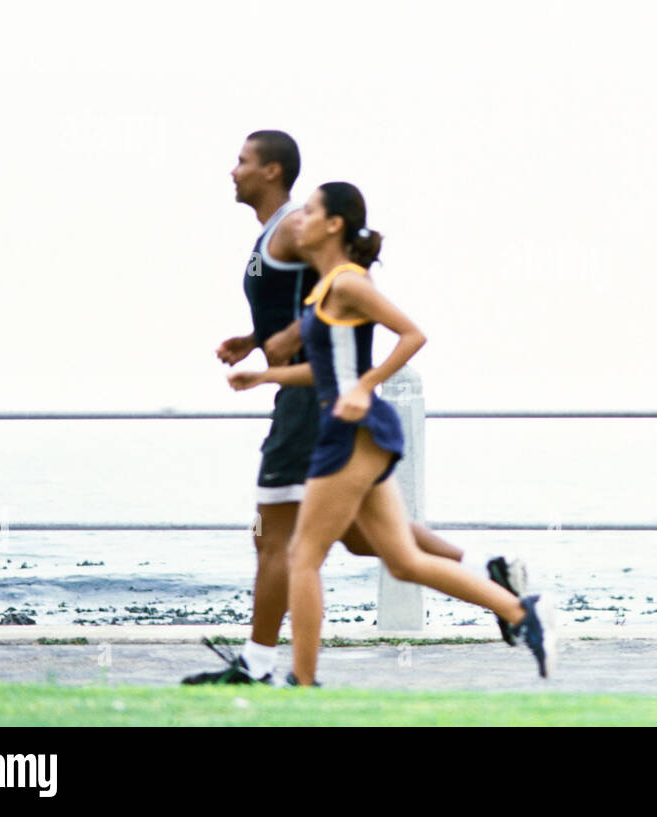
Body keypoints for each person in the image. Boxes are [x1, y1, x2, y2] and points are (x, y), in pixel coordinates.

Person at [183, 133, 526, 686]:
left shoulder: (296, 226)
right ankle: (491, 570)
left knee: (277, 539)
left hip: (310, 400)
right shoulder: (279, 232)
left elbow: (337, 294)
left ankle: (264, 667)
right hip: (308, 393)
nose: (232, 171)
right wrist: (257, 337)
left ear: (273, 171)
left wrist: (293, 344)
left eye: (242, 162)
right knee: (368, 539)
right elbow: (313, 304)